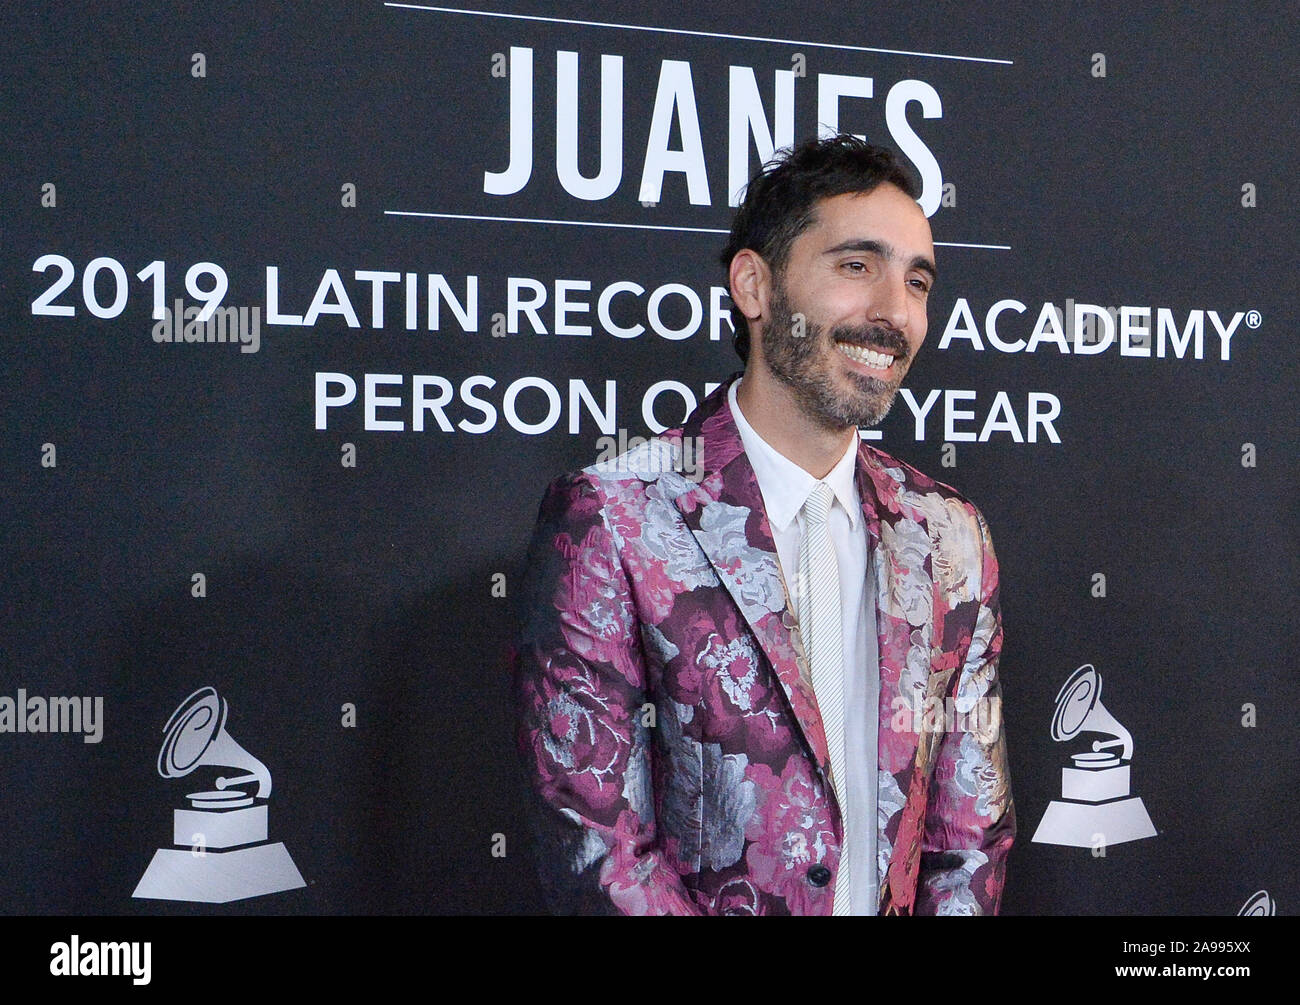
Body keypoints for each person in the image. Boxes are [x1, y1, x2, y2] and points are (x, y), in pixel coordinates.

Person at [512, 134, 1015, 916]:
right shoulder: (613, 515)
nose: (895, 312)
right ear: (754, 284)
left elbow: (970, 833)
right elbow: (597, 848)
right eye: (857, 266)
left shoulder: (951, 537)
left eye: (917, 281)